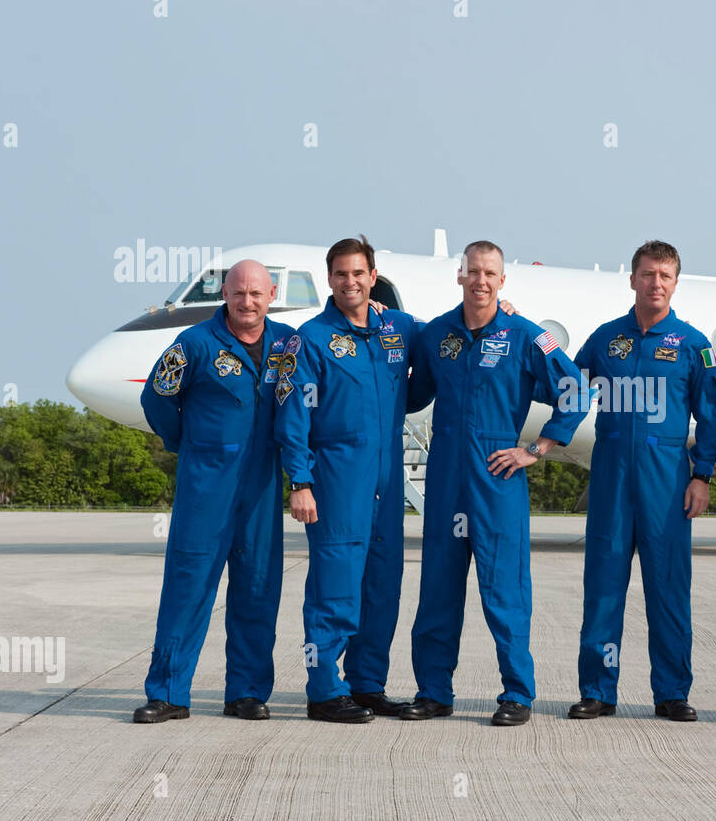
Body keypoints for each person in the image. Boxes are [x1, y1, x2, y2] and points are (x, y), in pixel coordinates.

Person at [400, 240, 584, 726]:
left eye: (490, 274)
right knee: (437, 589)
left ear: (502, 281)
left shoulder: (528, 336)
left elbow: (575, 388)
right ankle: (433, 691)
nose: (481, 281)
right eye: (473, 272)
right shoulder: (437, 335)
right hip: (445, 481)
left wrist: (537, 449)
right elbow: (410, 391)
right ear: (460, 276)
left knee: (505, 591)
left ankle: (517, 695)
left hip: (497, 479)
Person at [567, 240, 716, 723]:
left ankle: (672, 693)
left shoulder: (693, 345)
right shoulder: (605, 339)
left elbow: (713, 418)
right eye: (647, 274)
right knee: (603, 590)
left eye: (665, 275)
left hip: (667, 485)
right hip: (612, 482)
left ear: (675, 283)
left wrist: (702, 475)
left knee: (669, 590)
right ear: (632, 279)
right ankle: (597, 690)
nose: (656, 283)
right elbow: (568, 387)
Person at [135, 260, 295, 723]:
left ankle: (245, 693)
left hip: (263, 486)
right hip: (207, 487)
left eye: (257, 294)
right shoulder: (194, 343)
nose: (248, 302)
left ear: (272, 295)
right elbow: (157, 396)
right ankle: (167, 693)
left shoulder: (288, 343)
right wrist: (187, 443)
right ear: (225, 293)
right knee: (188, 586)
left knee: (258, 588)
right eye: (239, 293)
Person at [275, 235, 424, 723]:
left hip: (387, 482)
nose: (350, 281)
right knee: (334, 586)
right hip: (337, 478)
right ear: (330, 279)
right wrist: (300, 481)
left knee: (382, 586)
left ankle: (367, 685)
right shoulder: (310, 339)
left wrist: (499, 310)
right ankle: (323, 691)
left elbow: (451, 337)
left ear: (373, 277)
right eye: (341, 274)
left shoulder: (398, 329)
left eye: (358, 273)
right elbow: (293, 414)